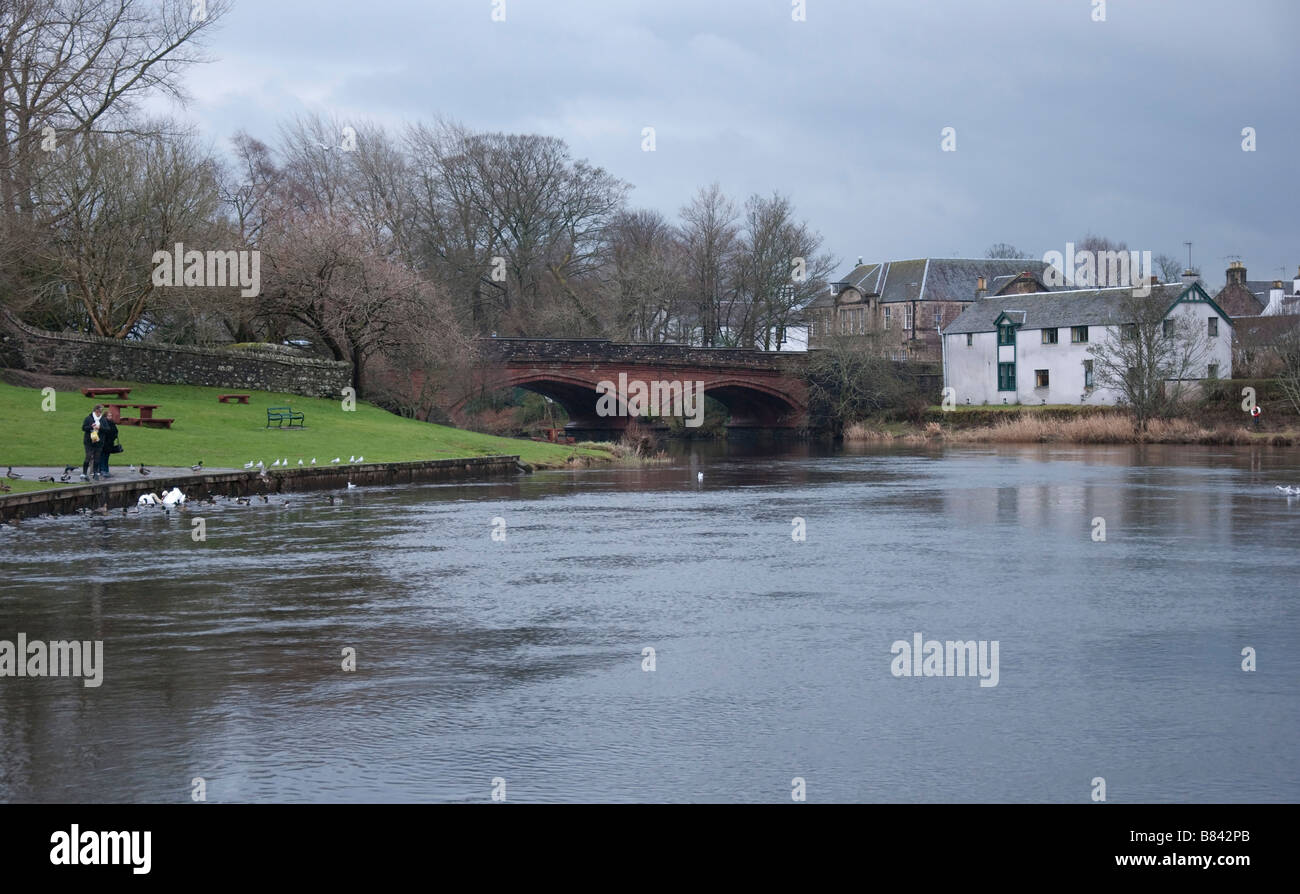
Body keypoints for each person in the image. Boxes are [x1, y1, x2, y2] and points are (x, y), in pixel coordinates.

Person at [81, 405, 105, 481]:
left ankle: (95, 473)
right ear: (95, 411)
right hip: (89, 441)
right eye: (98, 411)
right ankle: (84, 473)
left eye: (101, 411)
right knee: (88, 456)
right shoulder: (88, 418)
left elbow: (107, 429)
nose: (100, 413)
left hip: (99, 442)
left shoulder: (103, 419)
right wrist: (91, 427)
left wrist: (100, 428)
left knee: (97, 458)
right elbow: (83, 428)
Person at [97, 413, 119, 479]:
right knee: (102, 457)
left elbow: (115, 432)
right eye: (109, 416)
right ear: (105, 416)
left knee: (106, 457)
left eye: (111, 416)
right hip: (103, 443)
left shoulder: (112, 423)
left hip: (109, 444)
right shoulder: (102, 423)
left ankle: (105, 470)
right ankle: (103, 470)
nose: (110, 417)